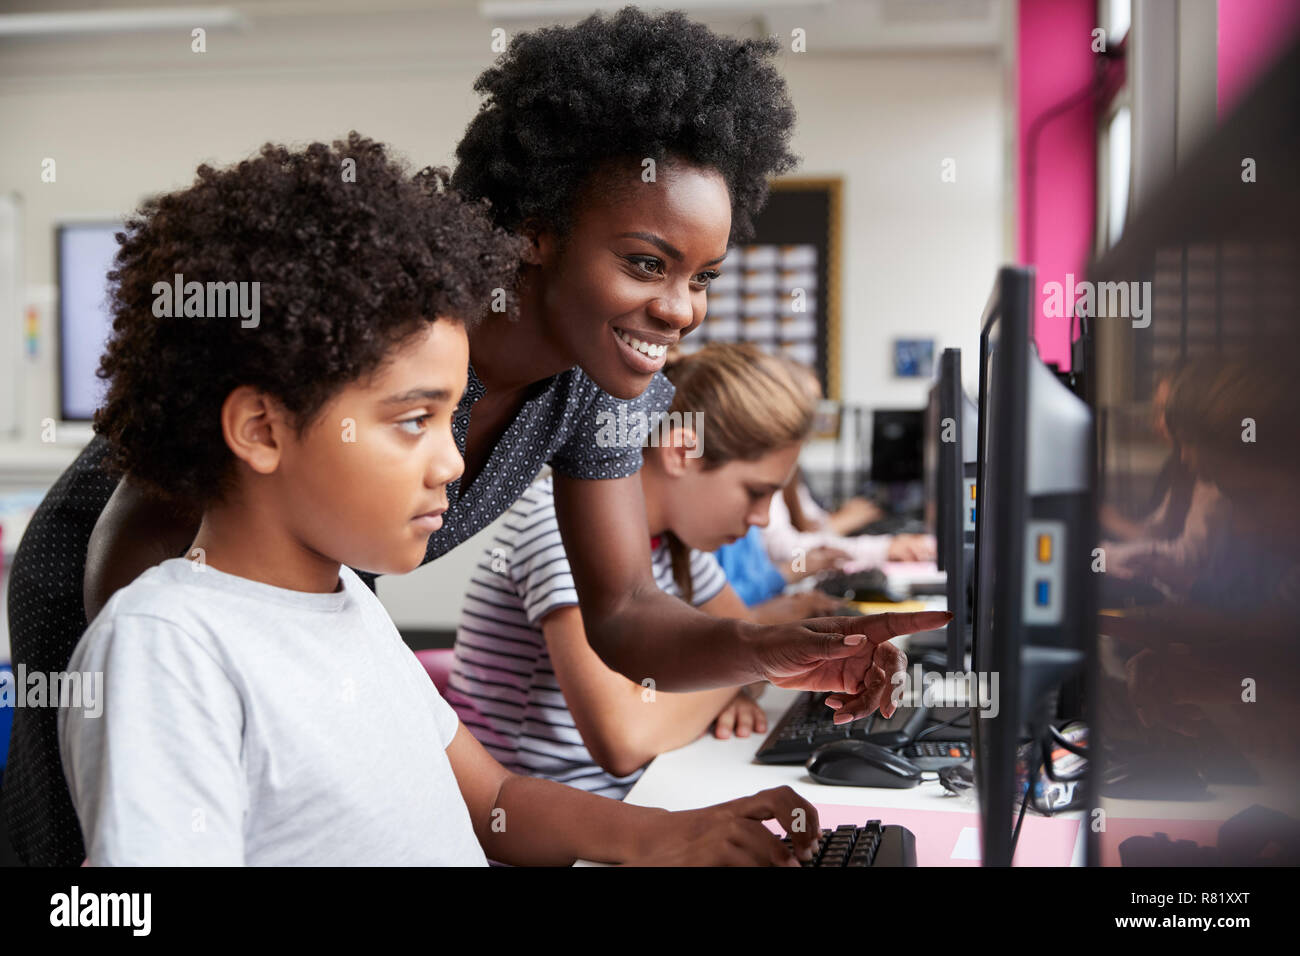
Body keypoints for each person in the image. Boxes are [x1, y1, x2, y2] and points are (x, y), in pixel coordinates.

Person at [6, 8, 944, 865]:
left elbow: (620, 615)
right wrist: (178, 688)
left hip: (313, 598)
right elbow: (150, 590)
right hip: (123, 579)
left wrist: (767, 647)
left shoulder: (599, 379)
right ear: (537, 231)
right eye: (647, 264)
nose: (681, 309)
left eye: (702, 276)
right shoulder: (392, 319)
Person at [58, 137, 825, 866]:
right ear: (262, 429)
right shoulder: (166, 642)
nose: (456, 460)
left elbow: (494, 800)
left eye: (452, 415)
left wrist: (676, 834)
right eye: (414, 421)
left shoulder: (348, 613)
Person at [449, 344, 852, 798]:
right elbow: (626, 740)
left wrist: (733, 679)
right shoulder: (560, 526)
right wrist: (738, 672)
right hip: (549, 834)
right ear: (682, 450)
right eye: (755, 492)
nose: (761, 519)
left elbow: (740, 648)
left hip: (632, 800)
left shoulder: (673, 543)